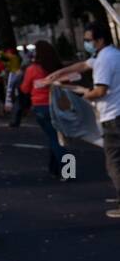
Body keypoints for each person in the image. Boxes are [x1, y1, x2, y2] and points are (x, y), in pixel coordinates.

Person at [42, 22, 120, 217]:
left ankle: (68, 172)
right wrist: (60, 73)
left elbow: (101, 90)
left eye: (88, 40)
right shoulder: (110, 54)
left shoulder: (104, 61)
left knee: (114, 162)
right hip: (114, 113)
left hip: (112, 116)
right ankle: (66, 171)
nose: (86, 43)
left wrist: (80, 98)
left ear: (100, 40)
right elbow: (85, 64)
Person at [19, 40, 68, 178]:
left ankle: (68, 170)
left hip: (41, 106)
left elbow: (25, 88)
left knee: (55, 139)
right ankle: (55, 168)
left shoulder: (32, 69)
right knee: (56, 137)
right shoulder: (56, 67)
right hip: (58, 105)